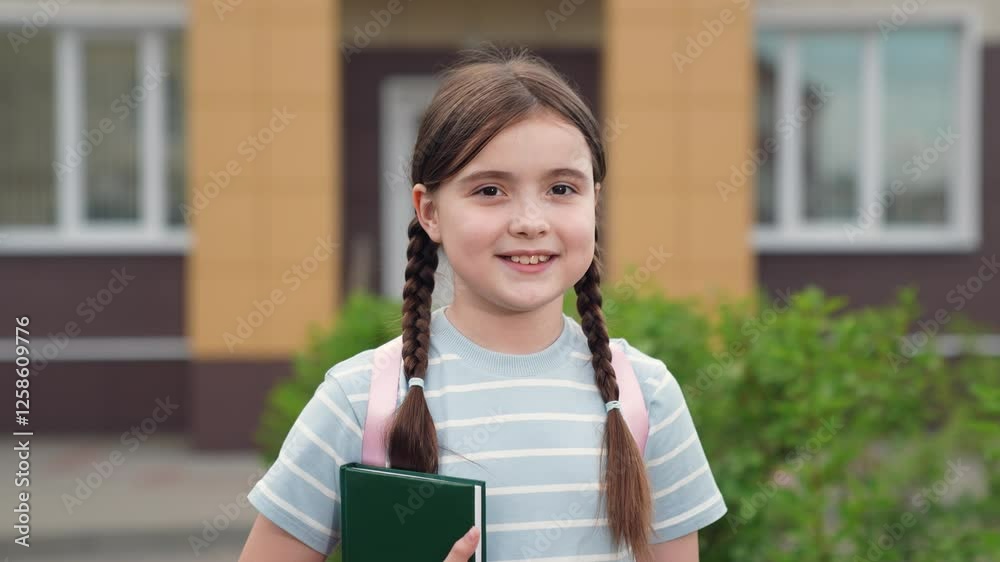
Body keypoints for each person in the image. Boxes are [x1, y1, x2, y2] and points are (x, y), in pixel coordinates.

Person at [238, 45, 727, 562]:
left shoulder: (646, 397)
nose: (530, 221)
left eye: (562, 188)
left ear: (595, 202)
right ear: (429, 212)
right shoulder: (360, 400)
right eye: (491, 190)